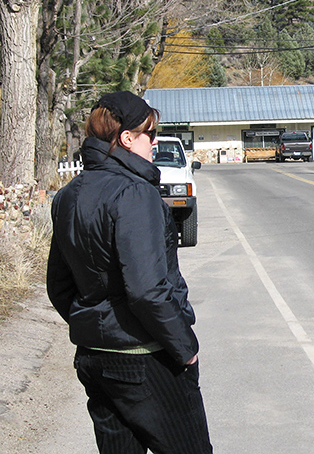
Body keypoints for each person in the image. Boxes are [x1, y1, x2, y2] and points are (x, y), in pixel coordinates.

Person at [47, 91, 212, 454]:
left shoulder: (68, 195)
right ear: (126, 138)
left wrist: (93, 324)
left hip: (94, 358)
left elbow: (59, 287)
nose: (154, 143)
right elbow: (147, 291)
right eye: (149, 134)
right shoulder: (135, 193)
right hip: (143, 359)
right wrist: (186, 349)